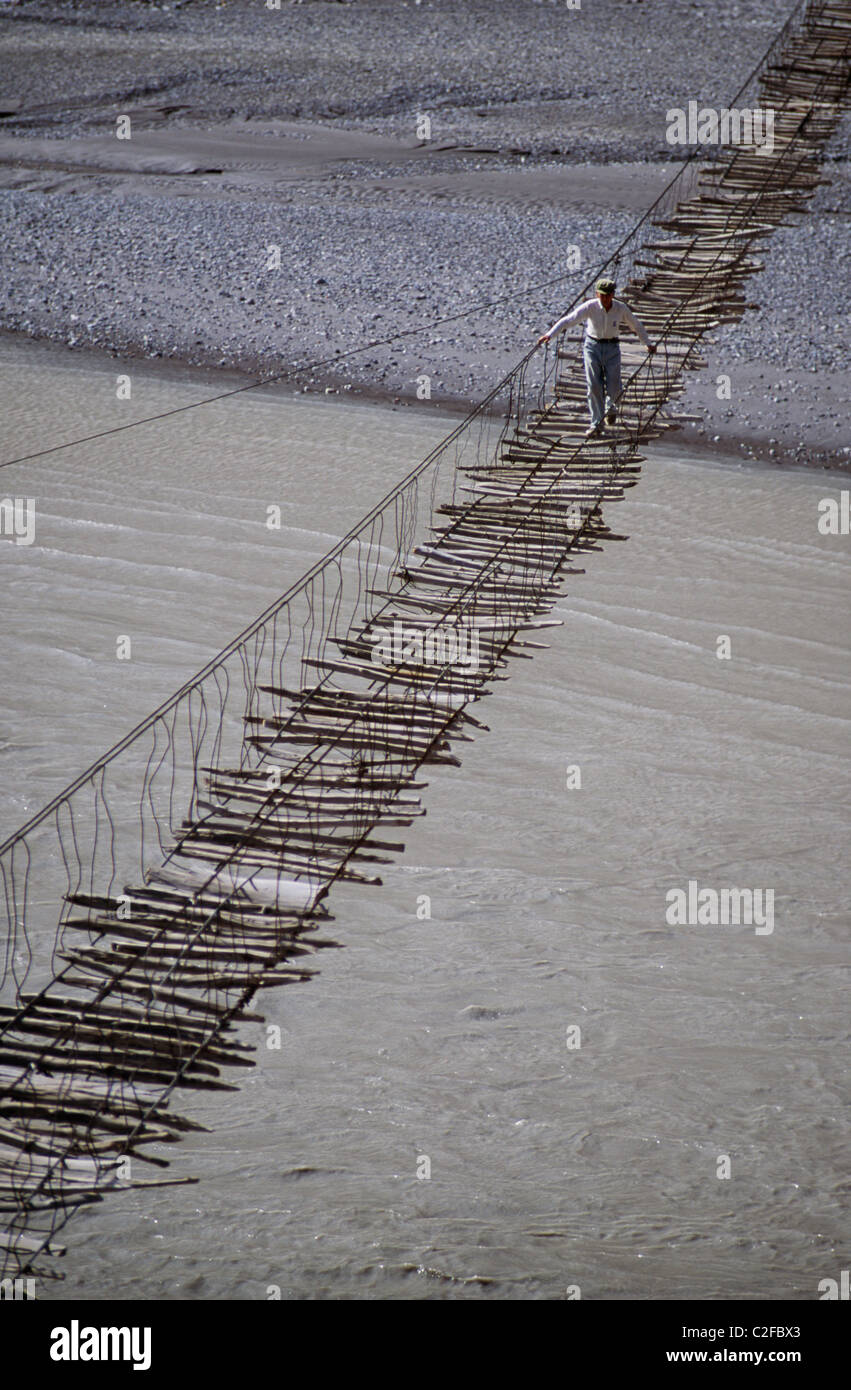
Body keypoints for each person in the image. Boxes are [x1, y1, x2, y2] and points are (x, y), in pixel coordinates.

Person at [537, 277, 656, 437]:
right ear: (597, 294)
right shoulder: (590, 307)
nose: (605, 299)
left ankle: (611, 409)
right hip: (592, 347)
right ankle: (596, 424)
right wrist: (550, 334)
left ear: (613, 294)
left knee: (614, 387)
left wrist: (647, 343)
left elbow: (636, 325)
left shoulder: (621, 308)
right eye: (602, 295)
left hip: (612, 348)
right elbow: (569, 320)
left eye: (608, 295)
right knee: (594, 385)